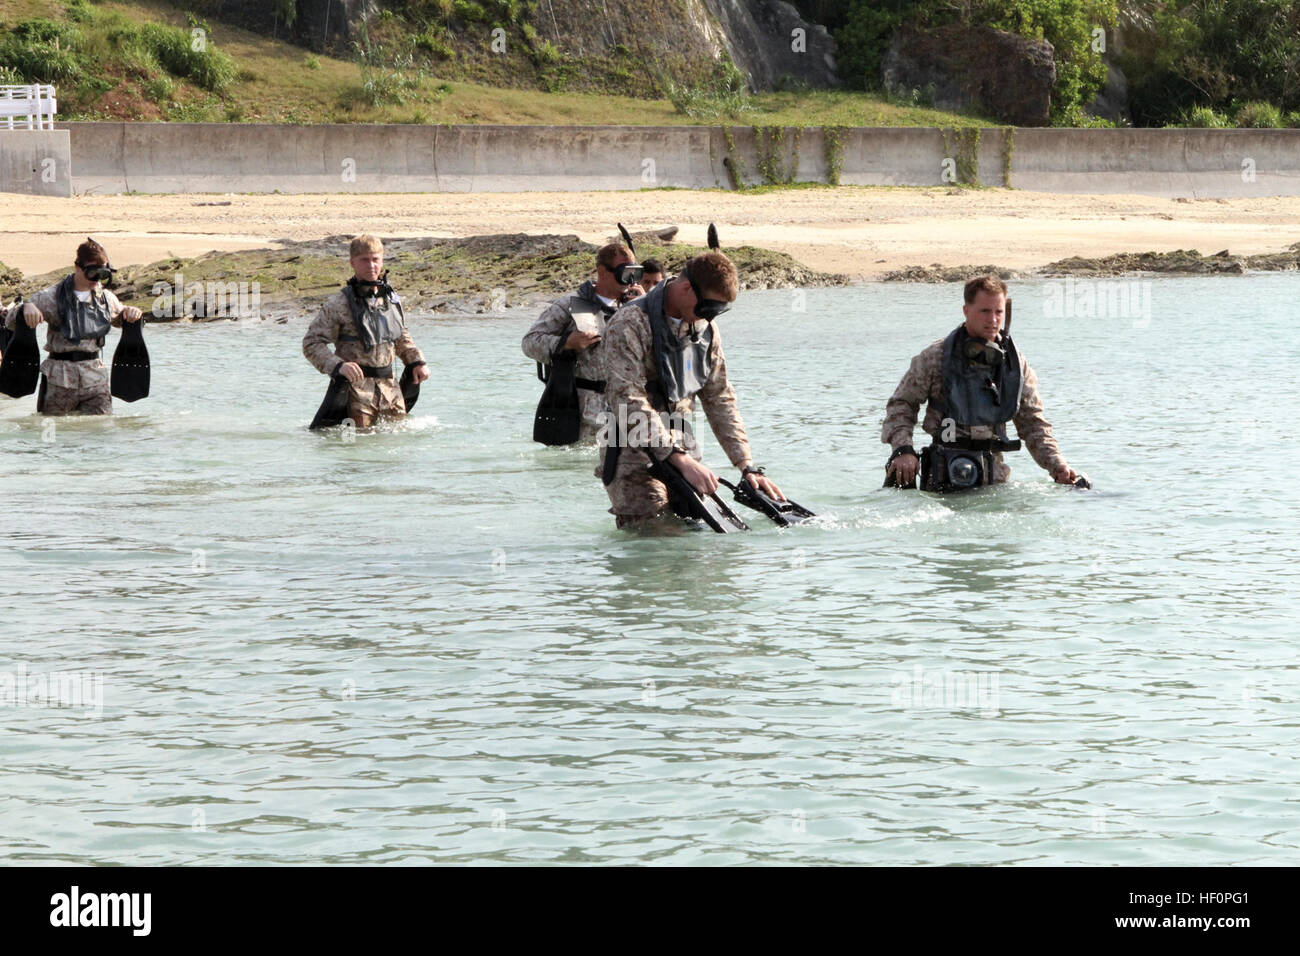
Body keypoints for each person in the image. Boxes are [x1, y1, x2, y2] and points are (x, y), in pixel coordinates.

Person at [597, 247, 786, 528]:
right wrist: (677, 458)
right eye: (708, 308)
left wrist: (746, 466)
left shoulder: (704, 330)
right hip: (632, 455)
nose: (710, 317)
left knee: (695, 546)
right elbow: (627, 400)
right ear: (686, 288)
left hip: (684, 450)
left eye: (719, 311)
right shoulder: (629, 324)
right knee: (653, 541)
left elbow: (720, 398)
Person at [882, 274, 1081, 491]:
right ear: (966, 311)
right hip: (944, 473)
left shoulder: (1015, 365)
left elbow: (1033, 423)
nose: (993, 320)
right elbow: (901, 404)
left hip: (993, 477)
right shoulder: (936, 357)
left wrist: (1058, 466)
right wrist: (903, 450)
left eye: (999, 312)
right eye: (985, 311)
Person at [2, 238, 143, 415]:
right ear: (78, 267)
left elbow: (120, 317)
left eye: (102, 274)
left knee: (100, 433)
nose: (96, 279)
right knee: (55, 431)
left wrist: (130, 312)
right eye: (92, 273)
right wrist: (25, 308)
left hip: (95, 379)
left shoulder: (106, 299)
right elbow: (10, 323)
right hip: (59, 380)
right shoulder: (51, 297)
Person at [302, 235, 429, 428]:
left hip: (391, 391)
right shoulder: (338, 304)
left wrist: (417, 361)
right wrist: (337, 366)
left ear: (382, 261)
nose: (371, 265)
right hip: (355, 393)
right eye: (364, 260)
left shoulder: (391, 300)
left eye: (375, 259)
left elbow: (401, 336)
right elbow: (311, 343)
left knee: (396, 448)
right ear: (352, 263)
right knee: (358, 450)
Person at [522, 242, 643, 442]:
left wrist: (645, 306)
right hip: (584, 415)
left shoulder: (637, 308)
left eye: (634, 274)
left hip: (627, 410)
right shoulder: (570, 305)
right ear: (602, 272)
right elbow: (530, 342)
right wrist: (566, 343)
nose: (629, 281)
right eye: (623, 273)